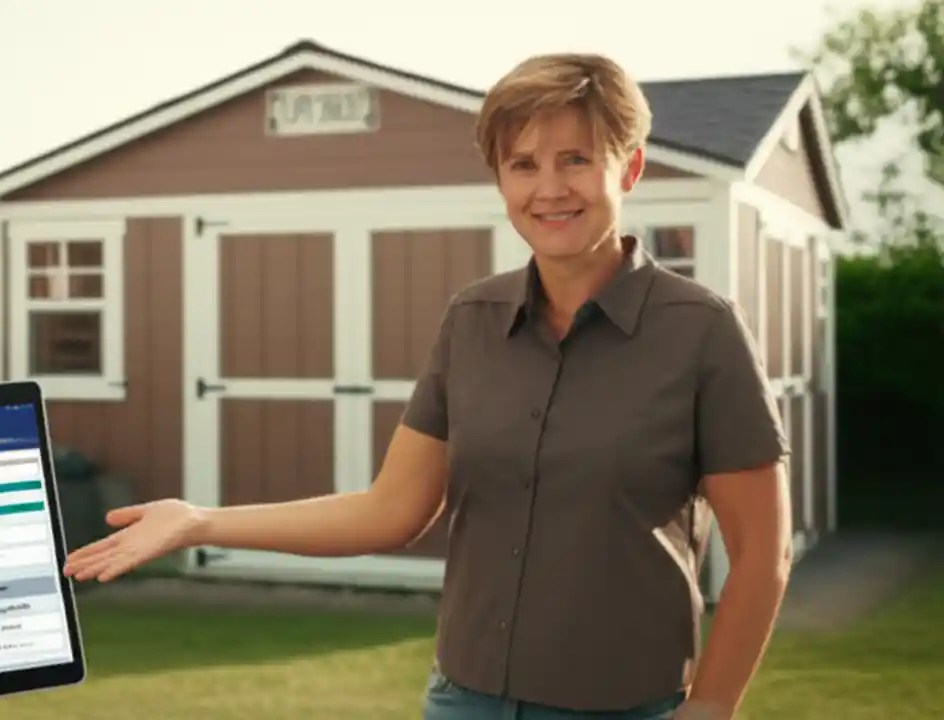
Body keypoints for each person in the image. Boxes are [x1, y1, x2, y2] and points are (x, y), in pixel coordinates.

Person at [63, 52, 793, 720]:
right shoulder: (473, 321)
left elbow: (763, 551)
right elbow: (389, 511)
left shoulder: (701, 330)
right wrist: (201, 523)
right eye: (522, 164)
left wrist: (712, 707)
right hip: (463, 702)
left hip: (622, 708)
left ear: (629, 169)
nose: (549, 189)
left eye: (576, 160)